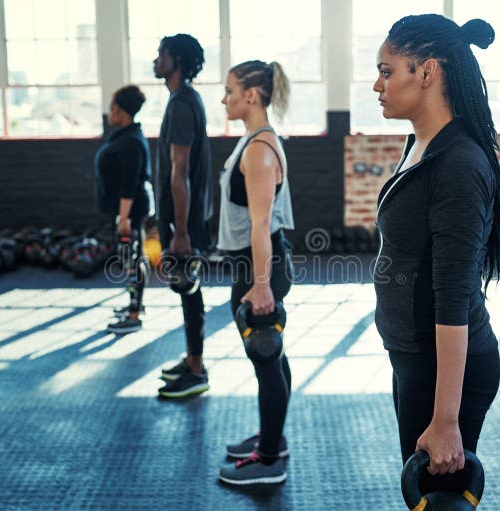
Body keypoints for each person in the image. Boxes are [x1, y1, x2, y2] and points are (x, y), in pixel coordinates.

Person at [371, 14, 500, 494]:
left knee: (439, 502)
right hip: (414, 357)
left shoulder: (459, 163)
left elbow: (451, 294)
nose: (376, 84)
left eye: (387, 71)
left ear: (426, 72)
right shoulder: (422, 143)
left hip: (443, 370)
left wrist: (446, 418)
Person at [216, 60, 294, 485]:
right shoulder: (254, 140)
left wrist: (261, 285)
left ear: (251, 95)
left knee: (266, 358)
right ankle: (272, 437)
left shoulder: (260, 149)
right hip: (253, 266)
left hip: (258, 269)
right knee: (272, 357)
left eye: (229, 90)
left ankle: (268, 462)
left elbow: (262, 224)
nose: (224, 99)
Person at [152, 34, 214, 398]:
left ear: (176, 61)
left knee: (188, 290)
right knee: (188, 292)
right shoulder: (184, 99)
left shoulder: (181, 105)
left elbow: (180, 171)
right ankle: (193, 361)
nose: (156, 60)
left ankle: (197, 370)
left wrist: (180, 232)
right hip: (184, 220)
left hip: (183, 223)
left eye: (161, 55)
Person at [94, 85, 152, 335]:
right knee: (132, 258)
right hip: (125, 209)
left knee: (131, 260)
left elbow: (130, 183)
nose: (109, 114)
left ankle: (134, 315)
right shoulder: (125, 135)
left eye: (112, 108)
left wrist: (124, 217)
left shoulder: (130, 141)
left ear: (122, 111)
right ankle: (134, 305)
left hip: (130, 209)